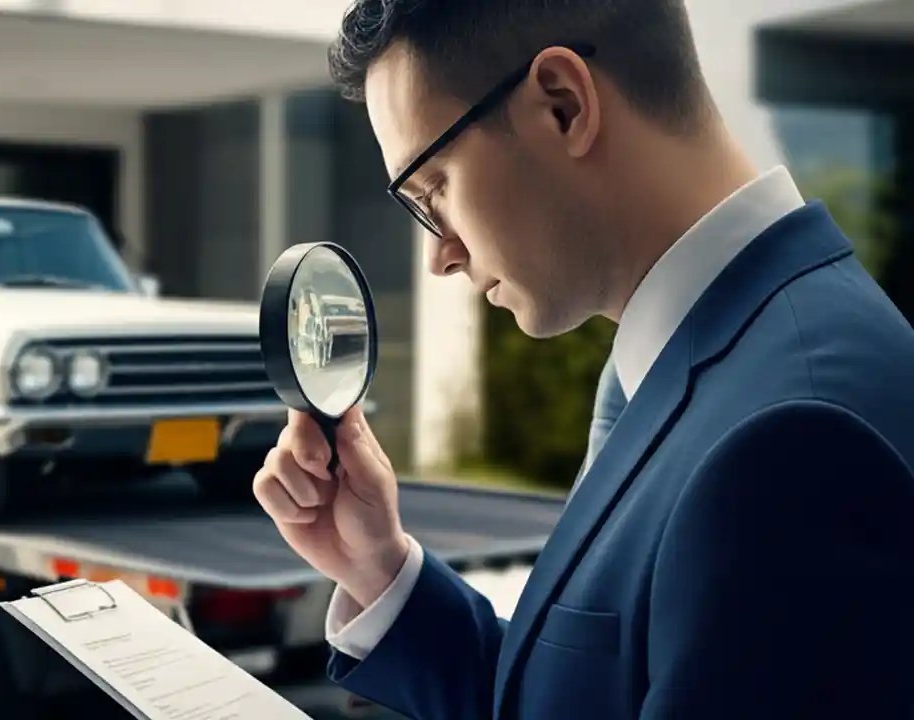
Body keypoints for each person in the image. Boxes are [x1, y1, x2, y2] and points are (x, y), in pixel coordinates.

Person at [251, 1, 914, 719]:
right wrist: (378, 569)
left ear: (563, 105)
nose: (440, 254)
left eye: (435, 189)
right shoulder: (695, 366)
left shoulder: (794, 446)